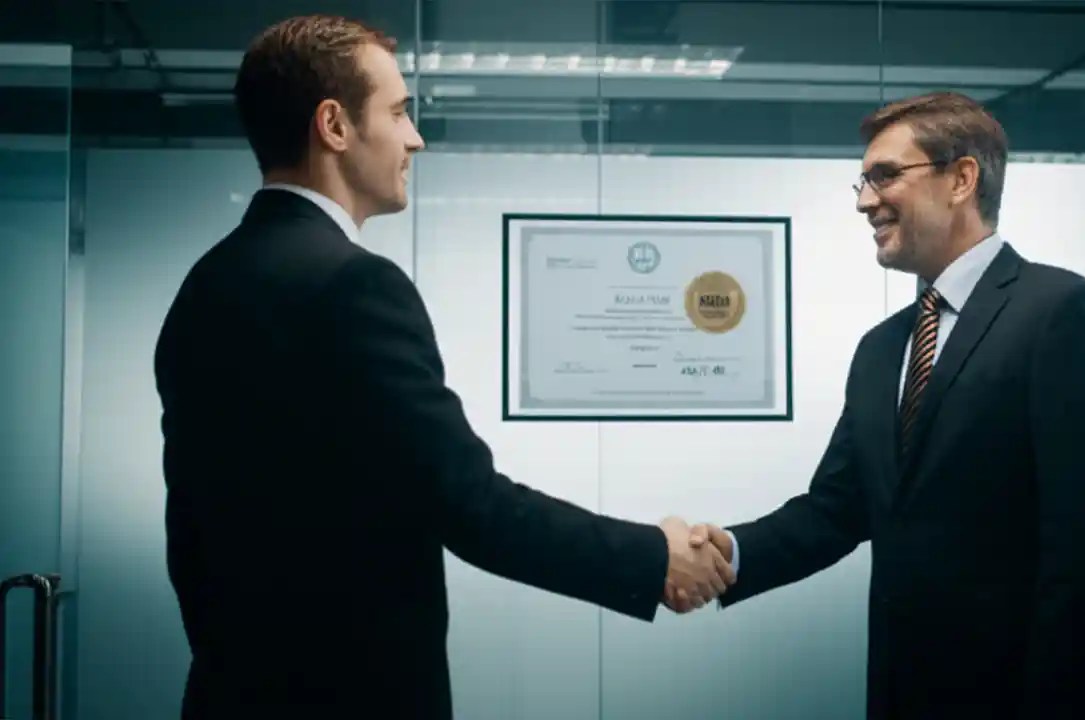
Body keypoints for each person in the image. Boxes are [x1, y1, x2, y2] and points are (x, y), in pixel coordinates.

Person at [152, 15, 732, 719]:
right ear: (334, 125)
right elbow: (469, 504)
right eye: (398, 112)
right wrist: (654, 557)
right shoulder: (354, 285)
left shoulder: (206, 285)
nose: (415, 137)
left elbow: (194, 533)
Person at [688, 92, 1085, 719]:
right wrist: (727, 552)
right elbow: (835, 511)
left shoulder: (1060, 313)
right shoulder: (881, 348)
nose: (864, 200)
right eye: (862, 181)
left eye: (885, 176)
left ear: (962, 178)